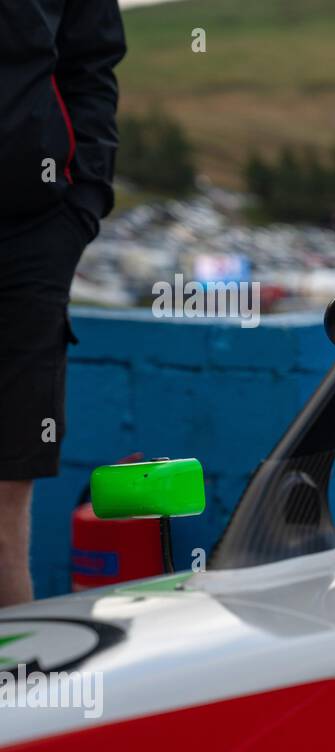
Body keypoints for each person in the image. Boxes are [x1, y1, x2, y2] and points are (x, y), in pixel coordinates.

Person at [0, 0, 126, 605]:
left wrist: (82, 204)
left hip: (31, 234)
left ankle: (14, 695)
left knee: (6, 489)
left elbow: (93, 64)